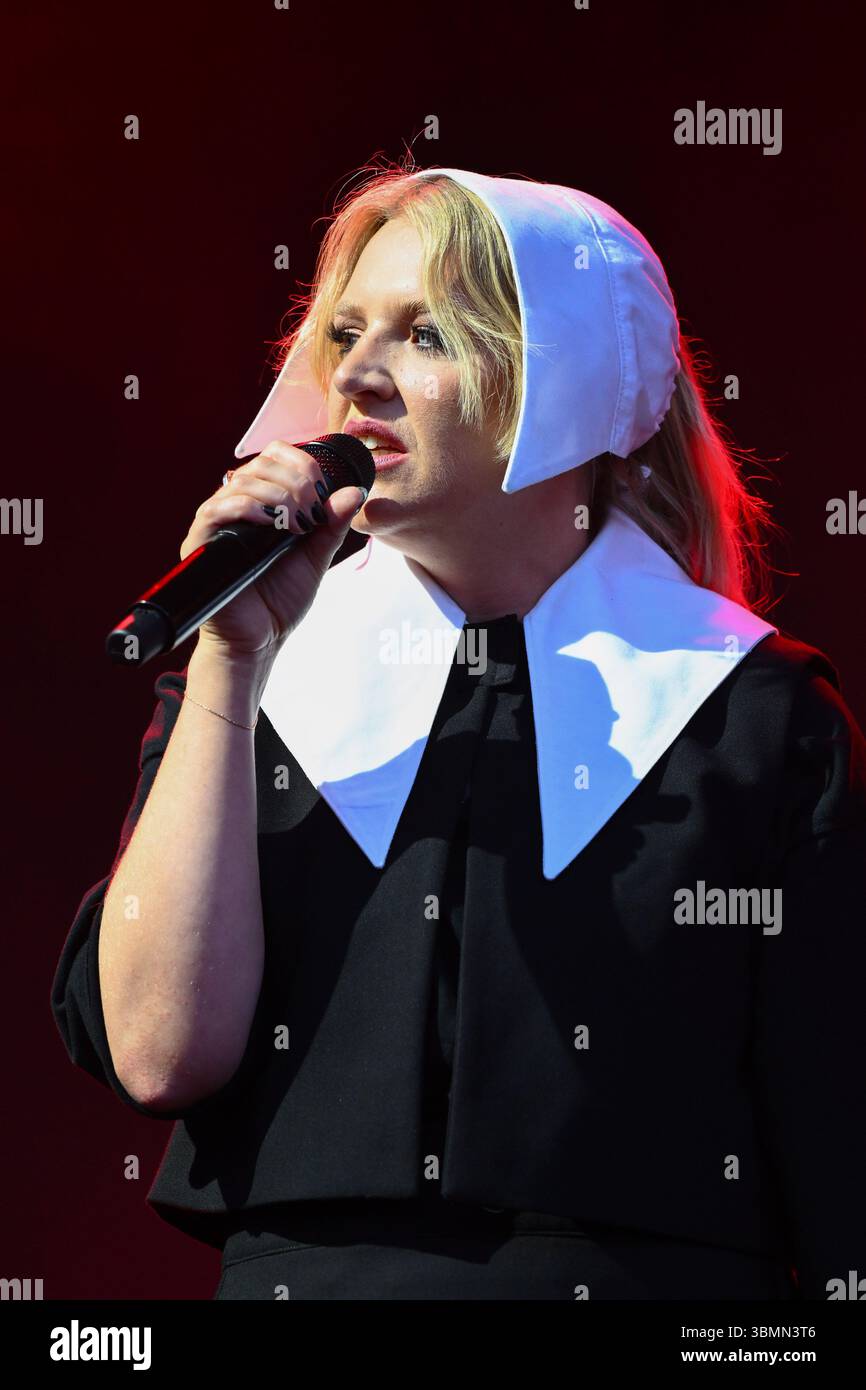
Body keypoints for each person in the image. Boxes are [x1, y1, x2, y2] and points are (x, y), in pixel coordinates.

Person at [51, 163, 866, 1301]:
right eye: (344, 331)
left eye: (425, 333)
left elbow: (838, 1147)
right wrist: (231, 665)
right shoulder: (256, 670)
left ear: (570, 386)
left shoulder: (752, 714)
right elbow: (157, 1052)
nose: (357, 374)